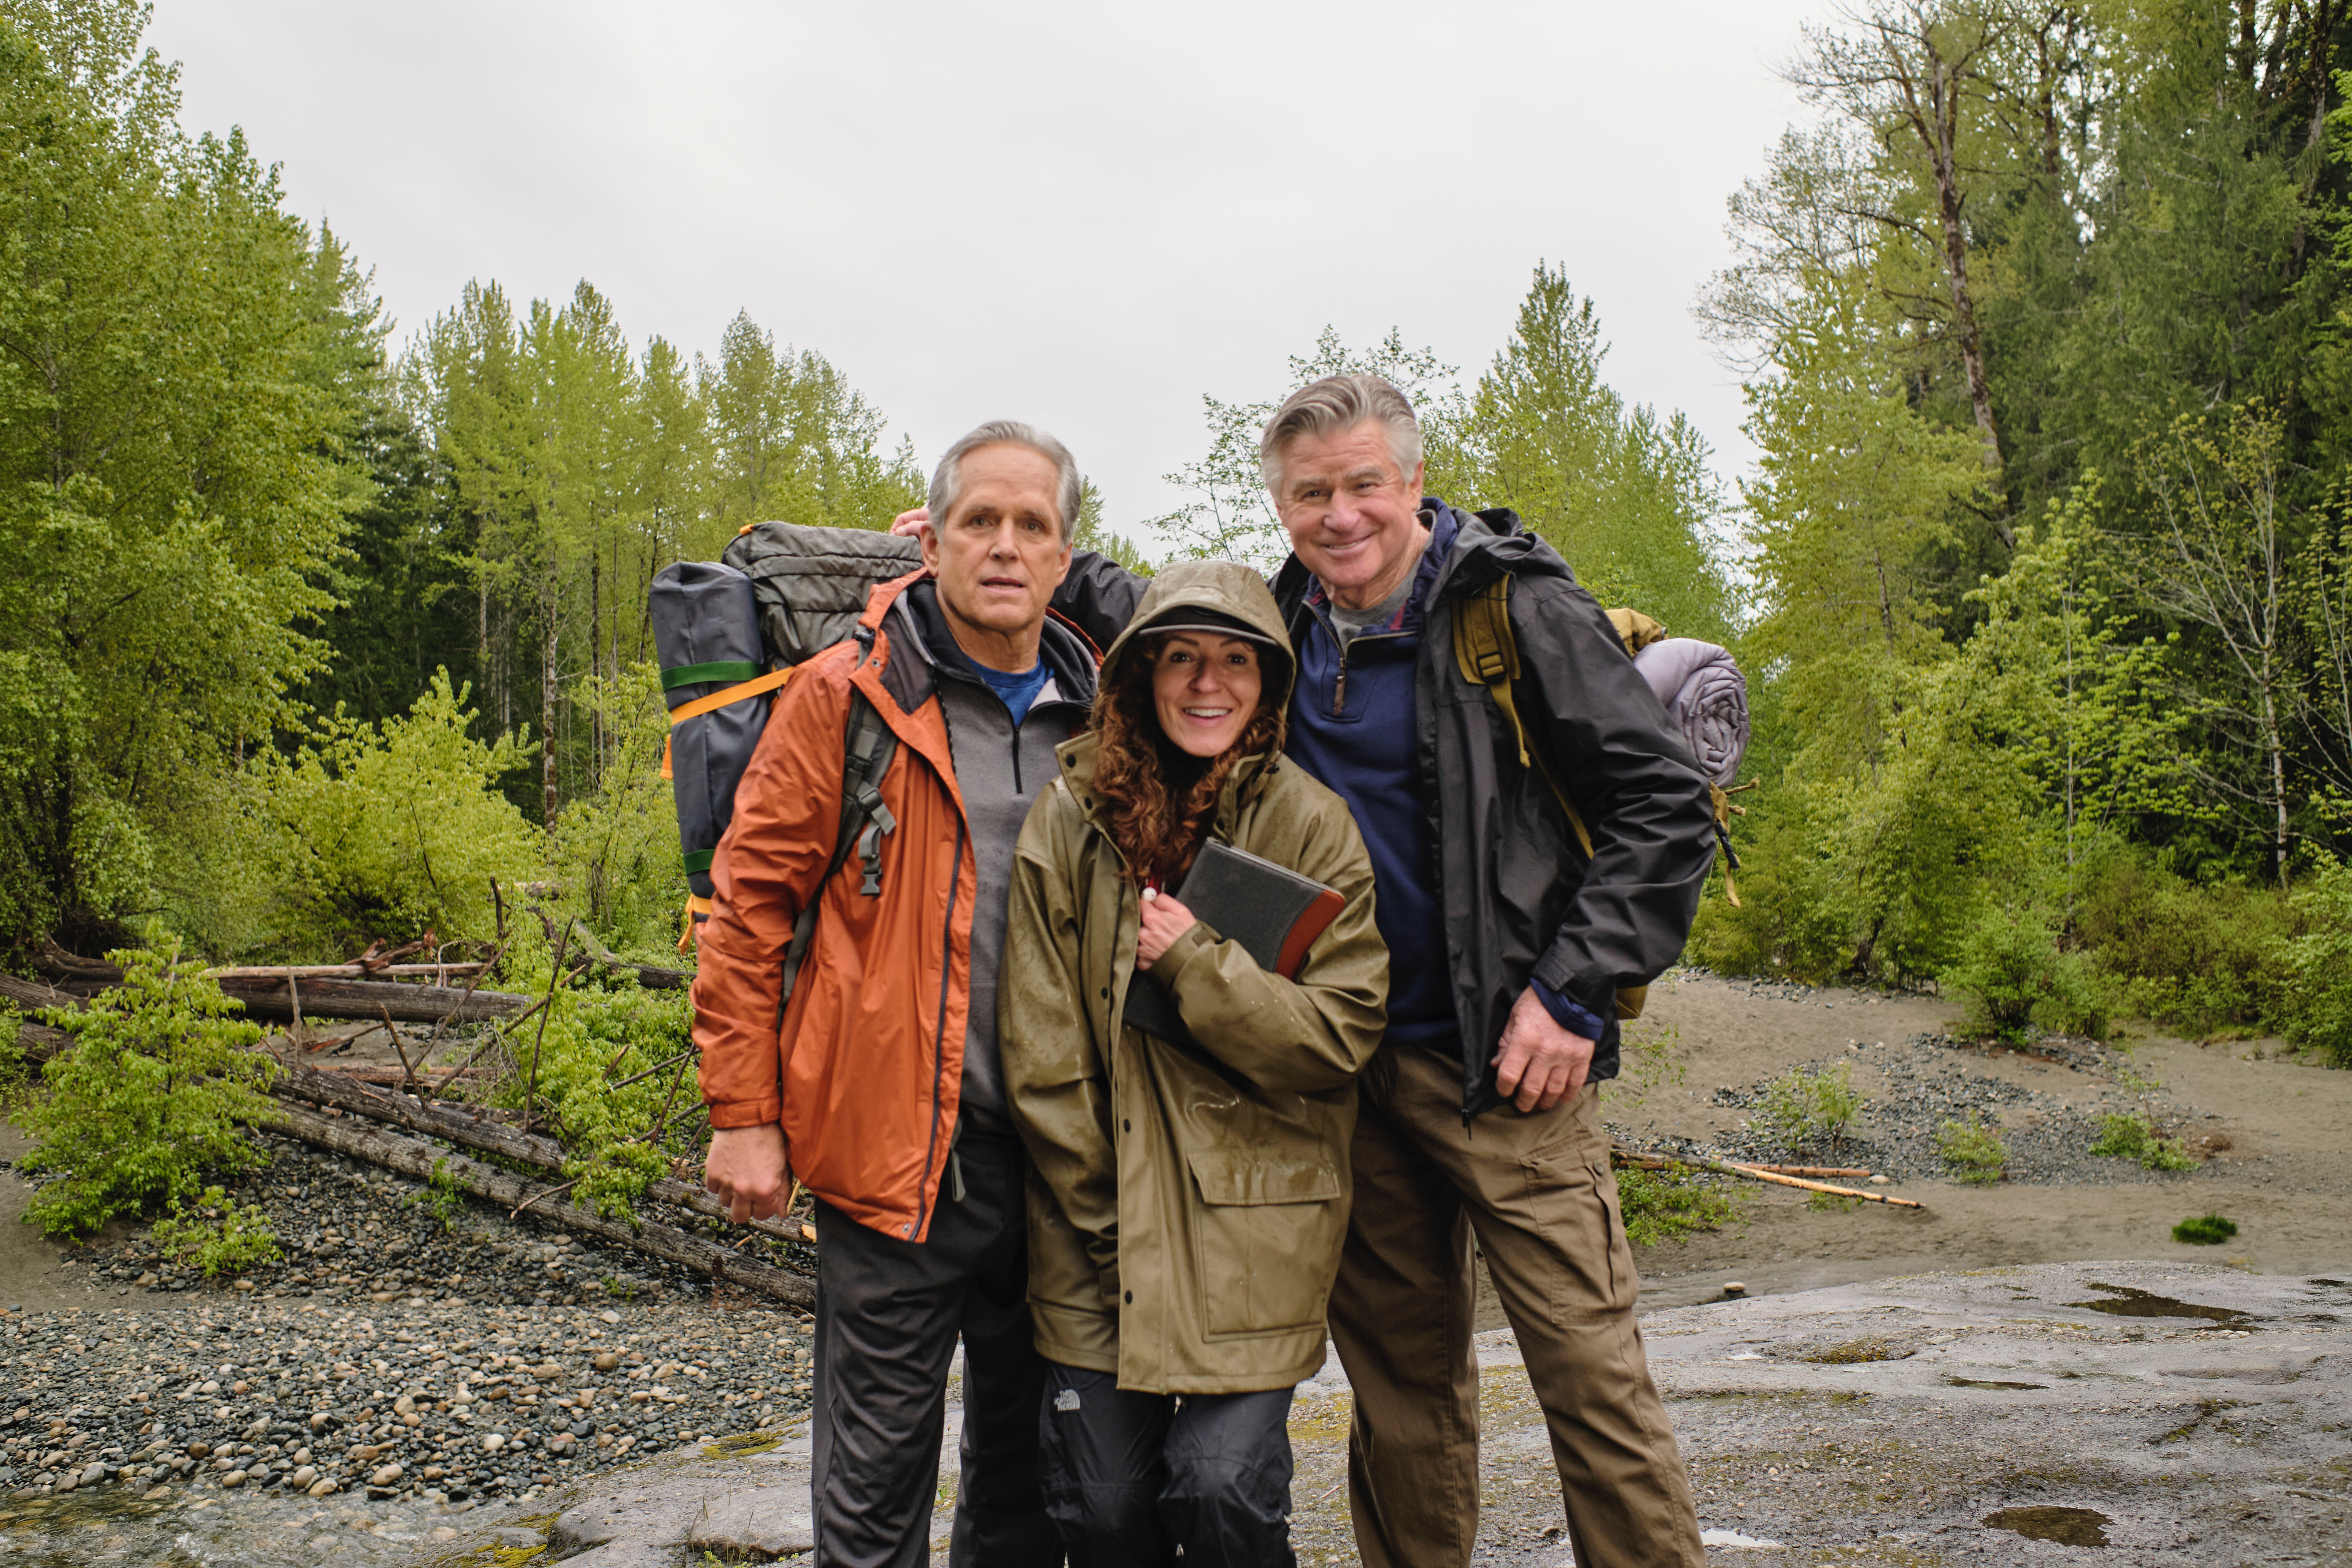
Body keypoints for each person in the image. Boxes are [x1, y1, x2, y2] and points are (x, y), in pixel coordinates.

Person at [903, 373, 1717, 1567]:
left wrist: (1573, 996)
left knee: (1590, 1381)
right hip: (1350, 1079)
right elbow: (1167, 629)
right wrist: (985, 548)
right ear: (1281, 507)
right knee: (1406, 1405)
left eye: (1364, 487)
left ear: (1414, 484)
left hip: (1512, 1064)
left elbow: (1664, 808)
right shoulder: (1284, 622)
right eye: (1311, 495)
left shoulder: (1515, 613)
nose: (1341, 517)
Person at [696, 421, 1096, 1567]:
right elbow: (749, 907)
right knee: (873, 1499)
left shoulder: (1104, 713)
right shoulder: (847, 695)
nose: (1007, 547)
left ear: (1066, 557)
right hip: (890, 1157)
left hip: (1058, 1164)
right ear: (934, 542)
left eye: (1034, 526)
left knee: (1024, 1491)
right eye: (982, 521)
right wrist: (741, 1115)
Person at [999, 560, 1388, 1567]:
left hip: (1251, 1231)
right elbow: (1042, 1052)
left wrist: (1196, 964)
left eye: (1232, 661)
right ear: (1141, 674)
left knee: (1222, 1496)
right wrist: (1102, 1210)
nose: (1207, 683)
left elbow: (1341, 1033)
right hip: (1095, 1234)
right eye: (1182, 658)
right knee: (1102, 1508)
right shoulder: (1070, 815)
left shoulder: (1312, 826)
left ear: (1267, 683)